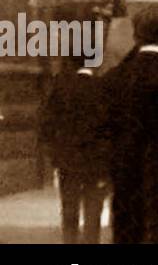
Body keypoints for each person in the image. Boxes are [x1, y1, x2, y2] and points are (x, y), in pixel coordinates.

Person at [104, 10, 158, 244]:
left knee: (126, 232)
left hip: (124, 171)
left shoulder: (115, 77)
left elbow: (105, 129)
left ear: (137, 35)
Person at [38, 53, 111, 244]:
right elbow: (110, 129)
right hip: (96, 162)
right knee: (93, 211)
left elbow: (47, 125)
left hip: (68, 161)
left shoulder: (60, 90)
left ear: (71, 62)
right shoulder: (103, 88)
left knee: (69, 209)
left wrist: (55, 155)